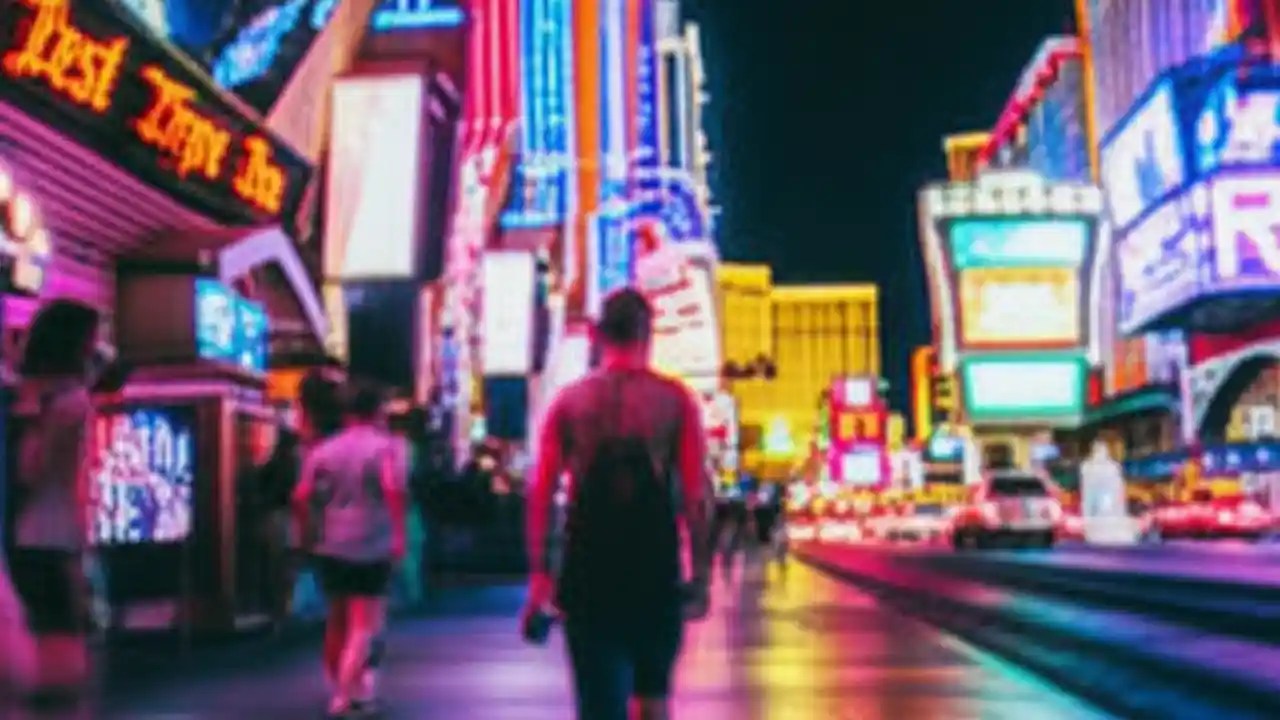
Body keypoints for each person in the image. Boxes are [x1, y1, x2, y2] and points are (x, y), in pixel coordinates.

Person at [524, 288, 714, 720]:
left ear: (596, 334)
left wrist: (540, 576)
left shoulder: (569, 403)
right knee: (653, 698)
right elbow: (695, 495)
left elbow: (540, 491)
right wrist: (700, 574)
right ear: (650, 334)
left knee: (598, 703)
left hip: (587, 566)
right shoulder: (675, 400)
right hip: (654, 566)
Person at [6, 300, 100, 706]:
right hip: (50, 537)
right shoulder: (70, 403)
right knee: (62, 658)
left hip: (23, 535)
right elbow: (39, 471)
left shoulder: (24, 396)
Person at [294, 382, 407, 719]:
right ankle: (345, 695)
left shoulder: (324, 450)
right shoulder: (386, 448)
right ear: (377, 412)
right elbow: (392, 488)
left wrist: (307, 532)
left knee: (337, 621)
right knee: (363, 624)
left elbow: (300, 496)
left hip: (331, 541)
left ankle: (347, 688)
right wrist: (399, 533)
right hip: (372, 542)